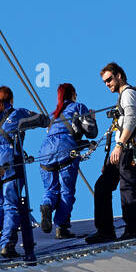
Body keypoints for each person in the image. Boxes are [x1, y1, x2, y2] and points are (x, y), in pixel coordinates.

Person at [85, 62, 136, 244]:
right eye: (104, 82)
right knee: (102, 187)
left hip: (127, 148)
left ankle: (133, 229)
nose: (107, 84)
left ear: (119, 76)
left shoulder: (129, 94)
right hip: (120, 149)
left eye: (109, 79)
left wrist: (119, 146)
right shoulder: (122, 96)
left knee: (128, 188)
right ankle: (105, 231)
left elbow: (131, 121)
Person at [0, 85, 49, 258]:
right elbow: (42, 119)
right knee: (11, 204)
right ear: (11, 100)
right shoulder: (18, 114)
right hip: (9, 163)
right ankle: (7, 244)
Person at [37, 82, 97, 239]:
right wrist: (91, 118)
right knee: (67, 192)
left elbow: (57, 136)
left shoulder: (52, 115)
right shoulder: (78, 107)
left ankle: (47, 206)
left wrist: (82, 144)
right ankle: (61, 227)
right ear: (73, 95)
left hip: (45, 153)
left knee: (50, 190)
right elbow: (91, 132)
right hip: (66, 152)